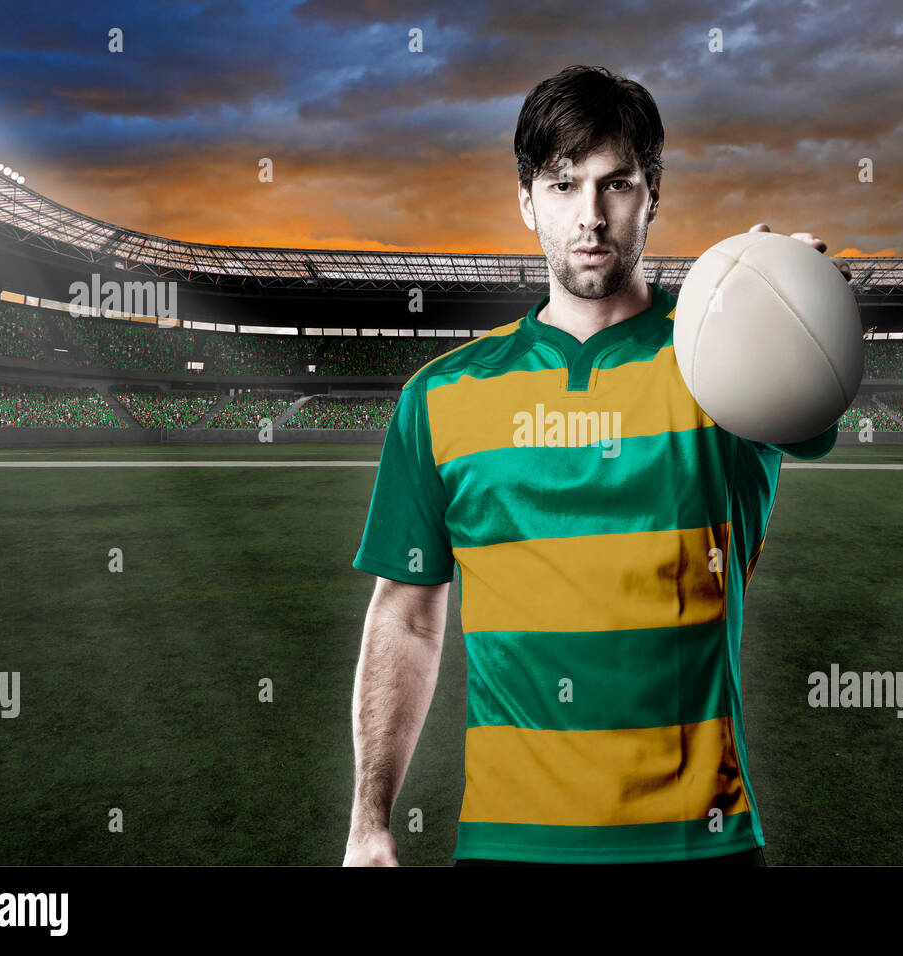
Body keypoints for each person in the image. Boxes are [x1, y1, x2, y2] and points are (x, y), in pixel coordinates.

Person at [344, 64, 849, 868]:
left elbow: (817, 397)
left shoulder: (722, 365)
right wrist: (370, 819)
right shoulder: (440, 397)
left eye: (616, 184)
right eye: (562, 184)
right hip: (510, 850)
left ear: (653, 194)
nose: (590, 217)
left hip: (701, 850)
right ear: (525, 200)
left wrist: (799, 300)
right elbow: (405, 617)